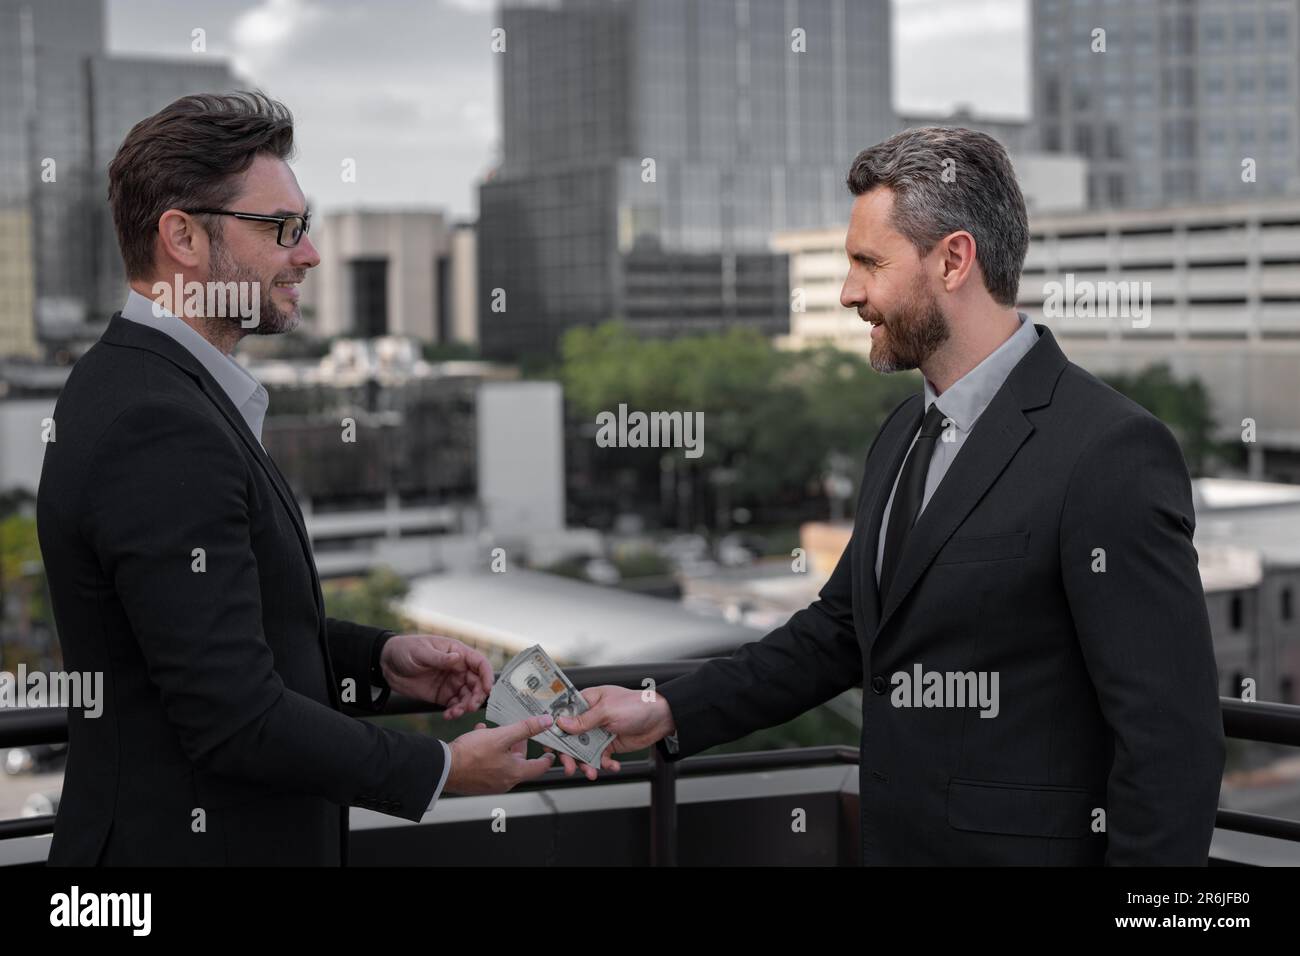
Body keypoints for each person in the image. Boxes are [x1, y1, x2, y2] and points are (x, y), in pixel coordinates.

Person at [554, 126, 1226, 866]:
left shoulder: (1109, 453)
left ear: (954, 259)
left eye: (869, 263)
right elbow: (839, 633)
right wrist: (667, 708)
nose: (848, 293)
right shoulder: (905, 430)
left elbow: (1172, 742)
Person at [36, 91, 555, 866]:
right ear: (180, 235)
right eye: (281, 230)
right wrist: (442, 768)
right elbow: (231, 716)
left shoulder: (148, 386)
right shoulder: (158, 420)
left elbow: (218, 631)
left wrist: (379, 660)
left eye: (303, 228)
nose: (307, 255)